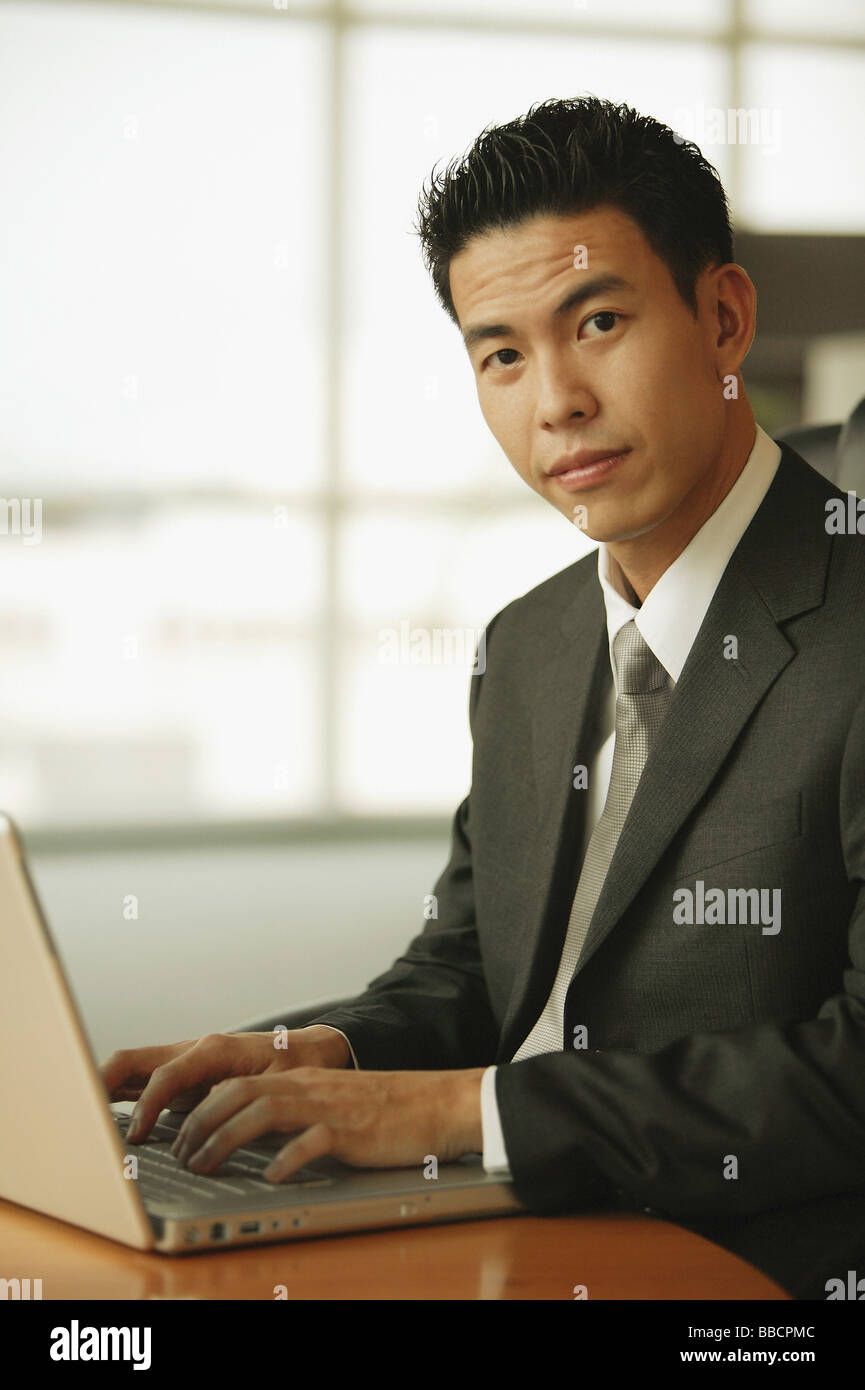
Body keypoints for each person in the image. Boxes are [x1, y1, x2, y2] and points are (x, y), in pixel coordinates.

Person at [102, 96, 865, 1300]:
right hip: (529, 1239)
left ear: (723, 319)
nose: (551, 399)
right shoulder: (531, 643)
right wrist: (320, 1054)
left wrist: (460, 1111)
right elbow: (476, 965)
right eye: (500, 352)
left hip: (752, 1274)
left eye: (597, 321)